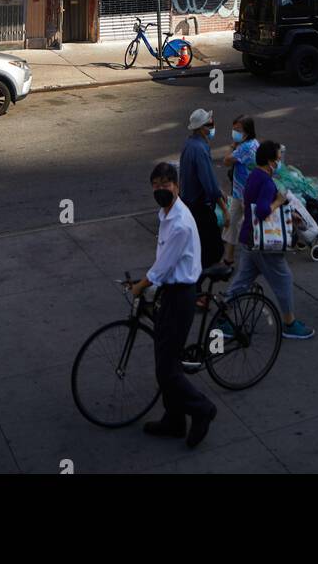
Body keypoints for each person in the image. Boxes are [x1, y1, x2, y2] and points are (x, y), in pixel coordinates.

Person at [127, 162, 217, 448]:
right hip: (171, 293)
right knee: (165, 360)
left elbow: (162, 268)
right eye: (156, 185)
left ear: (177, 186)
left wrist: (141, 285)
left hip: (180, 296)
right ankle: (174, 420)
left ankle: (202, 409)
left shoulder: (178, 222)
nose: (160, 190)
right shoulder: (166, 212)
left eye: (166, 184)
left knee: (167, 369)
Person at [225, 140, 314, 340]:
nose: (280, 163)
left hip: (249, 238)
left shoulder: (254, 176)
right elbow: (264, 210)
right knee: (283, 278)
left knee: (242, 282)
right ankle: (289, 323)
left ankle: (223, 318)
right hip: (263, 243)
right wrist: (279, 201)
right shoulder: (266, 182)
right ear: (270, 161)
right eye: (278, 159)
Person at [180, 108, 228, 269]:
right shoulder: (199, 149)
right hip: (200, 207)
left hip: (190, 204)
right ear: (202, 128)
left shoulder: (190, 144)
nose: (213, 127)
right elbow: (210, 186)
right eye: (210, 124)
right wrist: (225, 210)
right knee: (213, 250)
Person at [222, 114, 258, 265]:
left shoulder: (245, 148)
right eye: (234, 129)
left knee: (243, 225)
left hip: (246, 194)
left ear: (247, 132)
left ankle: (250, 260)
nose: (235, 133)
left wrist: (231, 146)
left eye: (238, 130)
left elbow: (226, 161)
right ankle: (228, 257)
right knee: (232, 221)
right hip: (240, 192)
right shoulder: (254, 143)